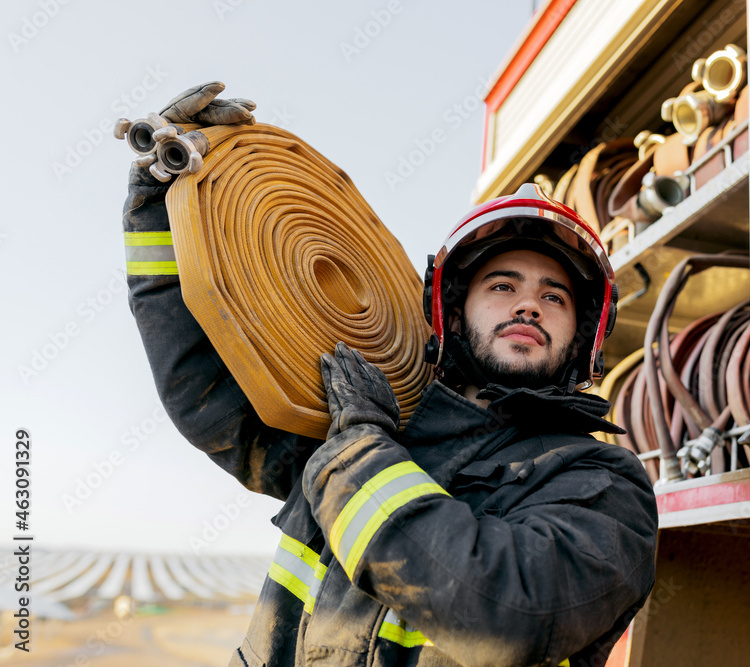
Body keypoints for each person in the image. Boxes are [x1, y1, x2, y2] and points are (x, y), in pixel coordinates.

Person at [121, 83, 657, 667]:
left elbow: (508, 618)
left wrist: (357, 452)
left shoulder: (600, 481)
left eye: (554, 297)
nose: (527, 305)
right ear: (453, 312)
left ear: (584, 335)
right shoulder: (379, 419)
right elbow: (210, 397)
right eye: (503, 286)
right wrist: (166, 201)